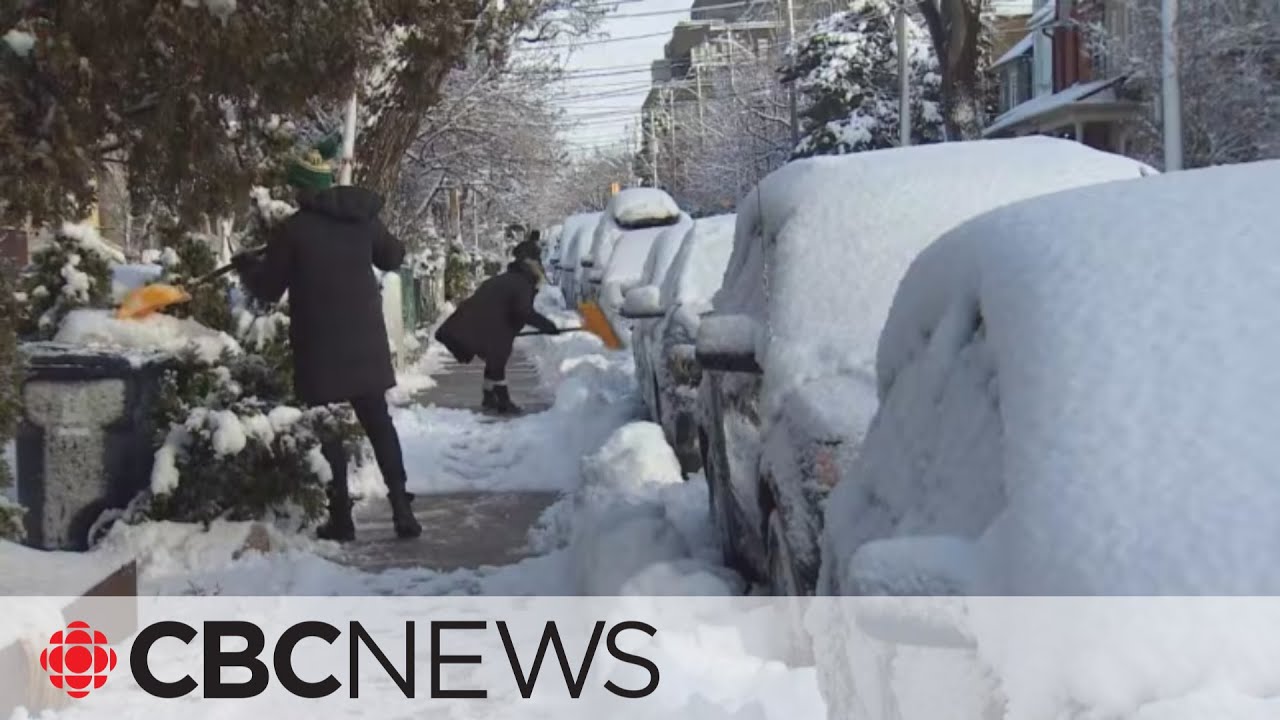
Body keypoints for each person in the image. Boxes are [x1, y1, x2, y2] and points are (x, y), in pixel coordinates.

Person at [234, 140, 422, 542]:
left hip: (320, 347)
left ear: (303, 190)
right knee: (378, 422)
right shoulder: (362, 221)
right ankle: (402, 509)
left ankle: (341, 518)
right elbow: (392, 258)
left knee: (329, 429)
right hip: (366, 344)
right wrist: (391, 240)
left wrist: (247, 267)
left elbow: (269, 289)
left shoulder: (294, 230)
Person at [434, 242, 559, 415]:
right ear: (530, 263)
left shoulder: (510, 279)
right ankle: (503, 401)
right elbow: (522, 312)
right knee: (497, 360)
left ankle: (489, 396)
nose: (541, 265)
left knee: (496, 360)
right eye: (538, 261)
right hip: (483, 327)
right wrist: (547, 325)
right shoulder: (521, 283)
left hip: (478, 324)